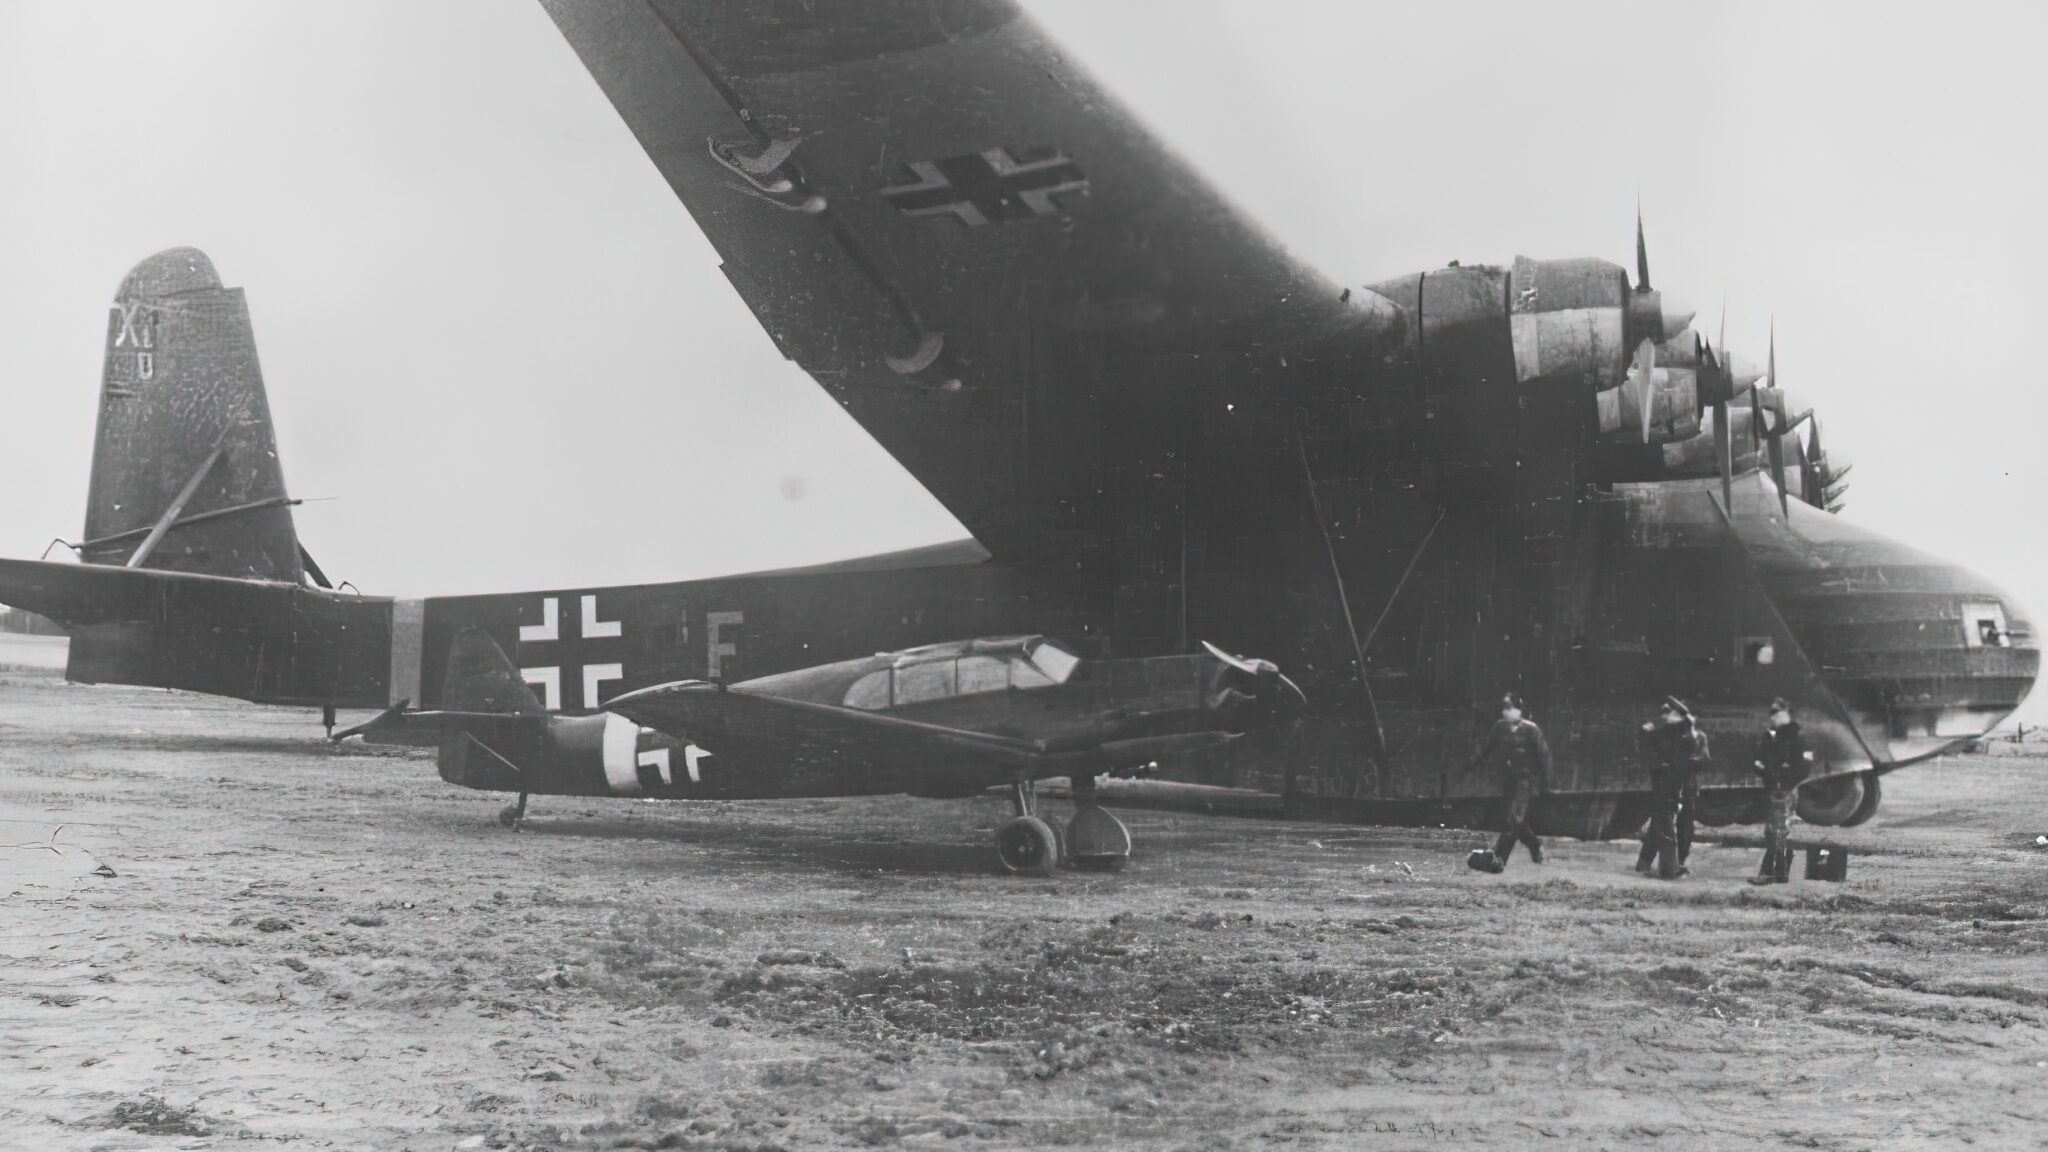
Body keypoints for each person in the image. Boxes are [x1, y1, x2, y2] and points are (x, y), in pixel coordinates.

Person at [1466, 693, 1552, 873]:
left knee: (1514, 819)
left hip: (1527, 781)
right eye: (1504, 708)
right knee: (1517, 821)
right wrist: (1472, 764)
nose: (1505, 712)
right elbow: (1488, 749)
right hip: (1509, 781)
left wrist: (1545, 784)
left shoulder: (1531, 729)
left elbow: (1544, 757)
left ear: (1518, 710)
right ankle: (1536, 846)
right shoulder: (1500, 728)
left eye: (1509, 708)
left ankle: (1498, 860)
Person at [1636, 696, 1708, 879]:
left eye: (1670, 713)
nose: (1666, 716)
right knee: (1665, 826)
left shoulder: (1683, 733)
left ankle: (1664, 865)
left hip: (1676, 785)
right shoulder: (1663, 732)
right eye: (1666, 713)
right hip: (1664, 784)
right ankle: (1668, 869)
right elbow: (1648, 748)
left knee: (1667, 826)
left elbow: (1694, 754)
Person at [1749, 697, 1807, 885]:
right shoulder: (1773, 736)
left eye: (1776, 712)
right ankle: (1781, 873)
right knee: (1777, 832)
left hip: (1783, 791)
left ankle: (1769, 873)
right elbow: (1760, 761)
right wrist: (1764, 770)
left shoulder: (1797, 738)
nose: (1772, 716)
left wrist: (1784, 782)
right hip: (1774, 788)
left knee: (1776, 832)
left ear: (1786, 714)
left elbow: (1803, 767)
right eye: (1771, 712)